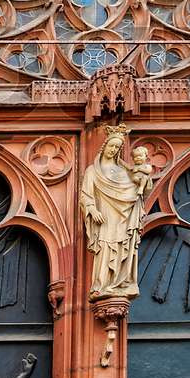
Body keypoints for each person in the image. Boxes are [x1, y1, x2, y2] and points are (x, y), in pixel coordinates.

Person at [79, 126, 151, 299]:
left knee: (122, 248)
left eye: (117, 147)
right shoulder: (92, 171)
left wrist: (144, 182)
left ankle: (122, 283)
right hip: (104, 218)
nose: (113, 150)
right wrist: (92, 209)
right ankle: (102, 286)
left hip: (124, 217)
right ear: (105, 146)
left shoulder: (125, 170)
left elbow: (139, 188)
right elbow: (85, 195)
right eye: (111, 146)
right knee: (105, 248)